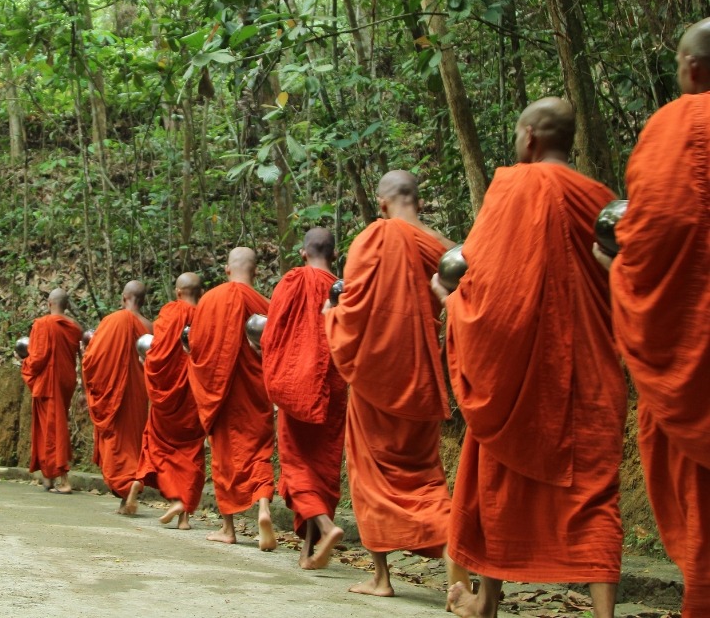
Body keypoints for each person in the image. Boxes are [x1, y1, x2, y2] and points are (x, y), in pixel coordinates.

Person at [432, 98, 626, 618]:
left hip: (518, 375)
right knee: (594, 495)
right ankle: (604, 614)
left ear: (529, 138)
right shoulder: (599, 197)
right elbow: (621, 278)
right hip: (589, 372)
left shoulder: (513, 189)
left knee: (499, 483)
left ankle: (486, 599)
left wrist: (450, 301)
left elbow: (489, 289)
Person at [597, 19, 710, 618]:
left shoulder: (677, 127)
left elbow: (648, 237)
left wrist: (614, 268)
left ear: (691, 70)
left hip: (694, 352)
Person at [325, 171, 468, 596]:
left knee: (370, 477)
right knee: (425, 477)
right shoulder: (445, 246)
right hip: (423, 379)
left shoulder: (373, 237)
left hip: (375, 381)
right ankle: (453, 547)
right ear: (420, 203)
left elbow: (351, 308)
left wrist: (328, 317)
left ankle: (382, 579)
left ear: (381, 203)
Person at [261, 228, 347, 569]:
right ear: (336, 255)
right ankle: (307, 551)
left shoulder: (291, 281)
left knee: (297, 465)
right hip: (333, 388)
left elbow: (273, 334)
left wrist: (275, 379)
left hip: (295, 384)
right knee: (322, 467)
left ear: (302, 253)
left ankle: (325, 527)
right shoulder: (343, 289)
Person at [188, 247, 276, 551]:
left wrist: (206, 383)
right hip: (254, 394)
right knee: (258, 453)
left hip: (221, 395)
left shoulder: (210, 300)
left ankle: (228, 529)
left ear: (227, 269)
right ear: (256, 271)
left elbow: (197, 348)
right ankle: (263, 508)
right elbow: (274, 351)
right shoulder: (266, 304)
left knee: (225, 457)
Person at [128, 272, 205, 529]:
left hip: (166, 400)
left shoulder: (170, 313)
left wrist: (146, 364)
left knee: (160, 447)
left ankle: (171, 496)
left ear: (177, 291)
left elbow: (157, 355)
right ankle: (184, 517)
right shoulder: (207, 316)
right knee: (191, 451)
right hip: (195, 397)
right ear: (201, 292)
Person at [80, 280, 152, 513]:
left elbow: (93, 360)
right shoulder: (150, 326)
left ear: (123, 298)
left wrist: (84, 356)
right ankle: (130, 488)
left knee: (117, 442)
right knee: (134, 442)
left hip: (114, 395)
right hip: (140, 395)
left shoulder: (111, 321)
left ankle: (127, 484)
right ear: (143, 301)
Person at [21, 288, 82, 494]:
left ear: (49, 304)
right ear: (66, 306)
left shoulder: (42, 324)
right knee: (50, 426)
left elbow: (38, 357)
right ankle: (48, 477)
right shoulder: (75, 326)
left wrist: (25, 365)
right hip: (66, 380)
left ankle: (64, 479)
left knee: (54, 428)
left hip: (50, 380)